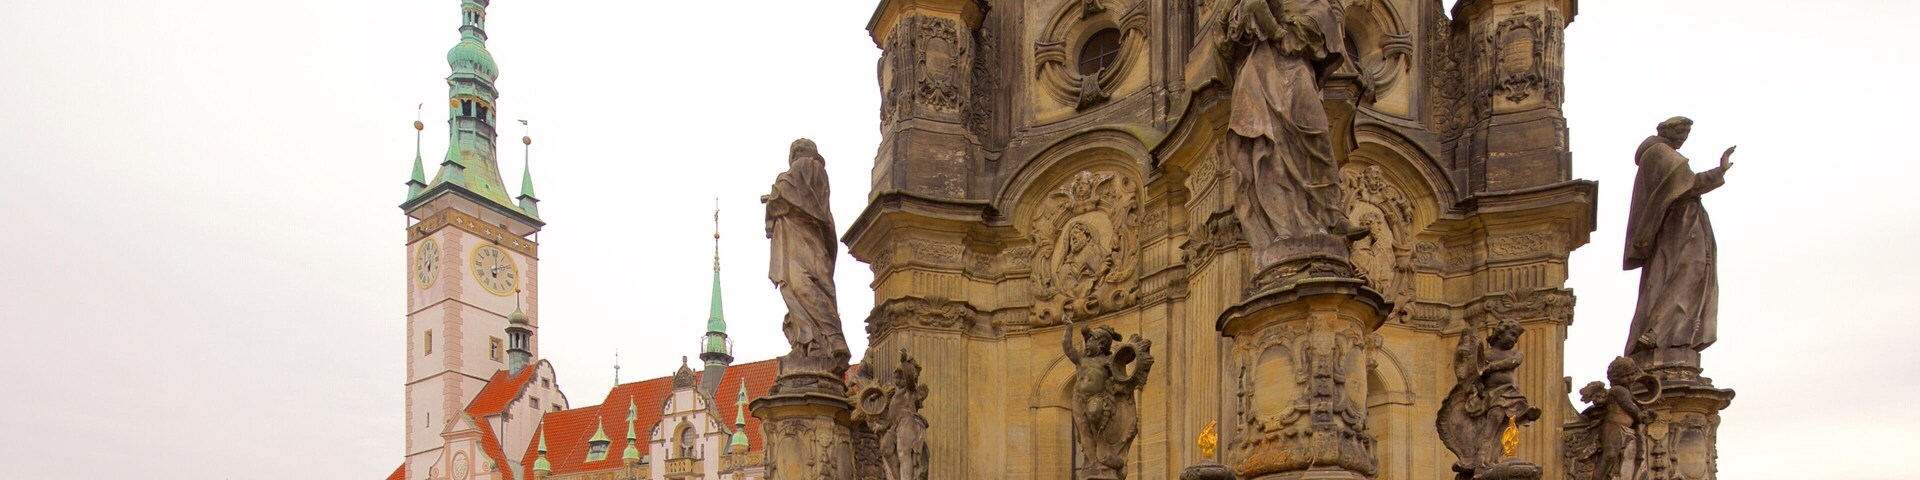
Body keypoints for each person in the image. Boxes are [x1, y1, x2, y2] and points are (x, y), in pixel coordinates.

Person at [1223, 0, 1361, 271]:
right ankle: (1284, 225)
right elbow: (1231, 30)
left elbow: (1322, 26)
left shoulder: (1317, 4)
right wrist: (1262, 26)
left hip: (1297, 71)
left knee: (1317, 135)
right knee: (1270, 154)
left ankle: (1329, 213)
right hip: (1260, 72)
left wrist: (1282, 30)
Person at [1623, 117, 1733, 367]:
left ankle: (1665, 332)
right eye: (1681, 132)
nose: (1684, 137)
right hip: (1680, 224)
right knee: (1687, 273)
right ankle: (1657, 332)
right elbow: (1688, 184)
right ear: (1668, 132)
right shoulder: (1660, 153)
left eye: (1687, 133)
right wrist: (1720, 171)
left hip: (1678, 223)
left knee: (1678, 275)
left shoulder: (1657, 154)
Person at [766, 138, 851, 368]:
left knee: (802, 285)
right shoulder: (817, 177)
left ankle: (832, 339)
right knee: (795, 288)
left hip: (803, 245)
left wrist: (774, 198)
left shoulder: (807, 166)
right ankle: (809, 343)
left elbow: (785, 190)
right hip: (803, 242)